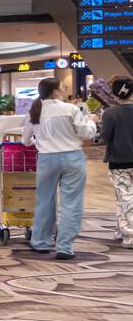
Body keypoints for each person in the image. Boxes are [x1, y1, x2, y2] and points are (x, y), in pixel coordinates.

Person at [22, 77, 98, 259]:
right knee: (71, 202)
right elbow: (86, 133)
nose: (65, 90)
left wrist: (42, 139)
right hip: (72, 157)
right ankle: (64, 246)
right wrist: (92, 121)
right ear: (55, 92)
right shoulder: (71, 109)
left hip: (46, 159)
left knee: (44, 201)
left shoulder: (34, 112)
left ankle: (40, 242)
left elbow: (25, 141)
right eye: (63, 88)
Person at [100, 76, 133, 248]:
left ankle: (129, 235)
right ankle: (122, 228)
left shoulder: (110, 113)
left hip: (119, 161)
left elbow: (104, 136)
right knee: (126, 198)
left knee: (125, 197)